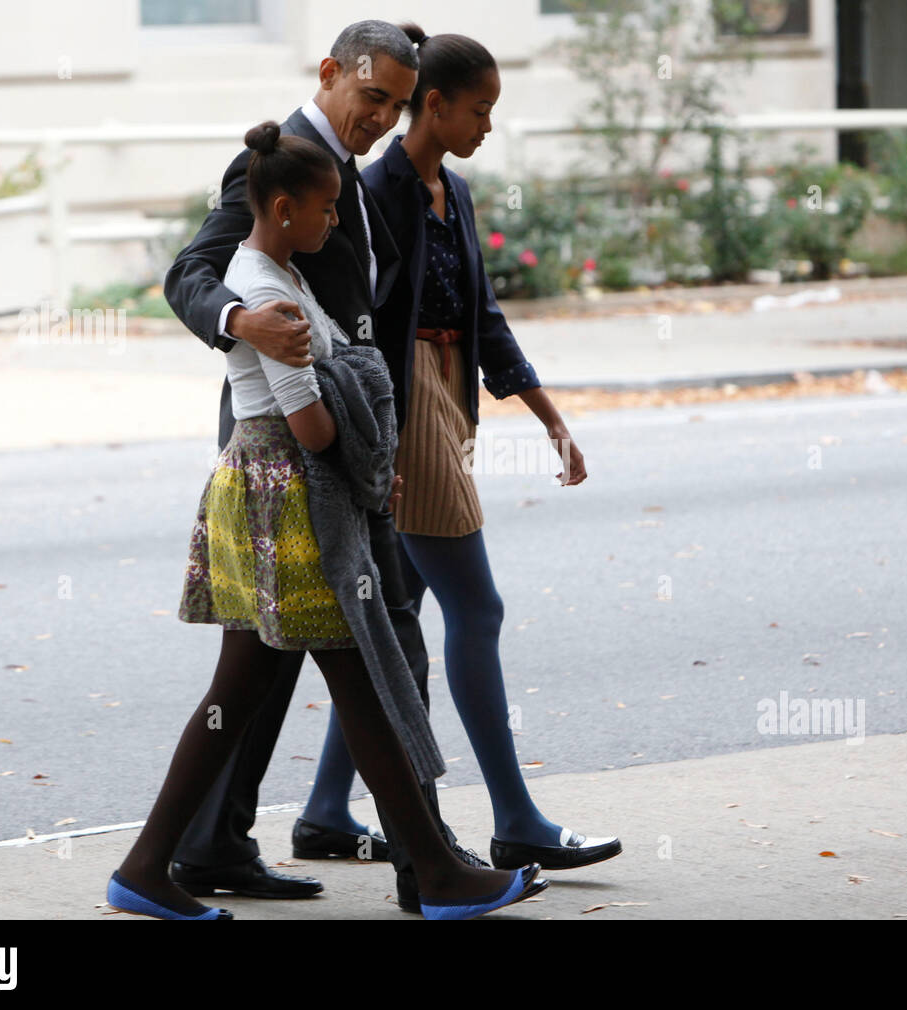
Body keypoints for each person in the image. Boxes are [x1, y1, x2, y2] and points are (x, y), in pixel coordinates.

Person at [105, 119, 548, 921]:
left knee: (237, 696)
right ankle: (439, 875)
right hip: (294, 502)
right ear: (280, 208)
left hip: (274, 496)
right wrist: (372, 456)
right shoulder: (268, 291)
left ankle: (144, 869)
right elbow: (310, 426)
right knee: (364, 685)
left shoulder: (279, 271)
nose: (336, 222)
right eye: (326, 210)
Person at [162, 20, 483, 909]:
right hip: (301, 455)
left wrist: (395, 443)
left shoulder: (345, 179)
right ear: (331, 72)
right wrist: (239, 321)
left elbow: (366, 320)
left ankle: (202, 849)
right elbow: (190, 271)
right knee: (389, 647)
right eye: (370, 96)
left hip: (350, 452)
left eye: (396, 104)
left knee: (273, 666)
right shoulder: (278, 166)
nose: (381, 117)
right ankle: (431, 862)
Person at [302, 23, 621, 882]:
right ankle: (516, 818)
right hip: (406, 408)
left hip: (452, 397)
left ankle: (326, 811)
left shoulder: (456, 192)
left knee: (392, 616)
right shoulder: (378, 192)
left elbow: (483, 319)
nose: (488, 125)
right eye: (478, 109)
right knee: (476, 611)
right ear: (432, 106)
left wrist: (549, 416)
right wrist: (376, 441)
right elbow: (351, 324)